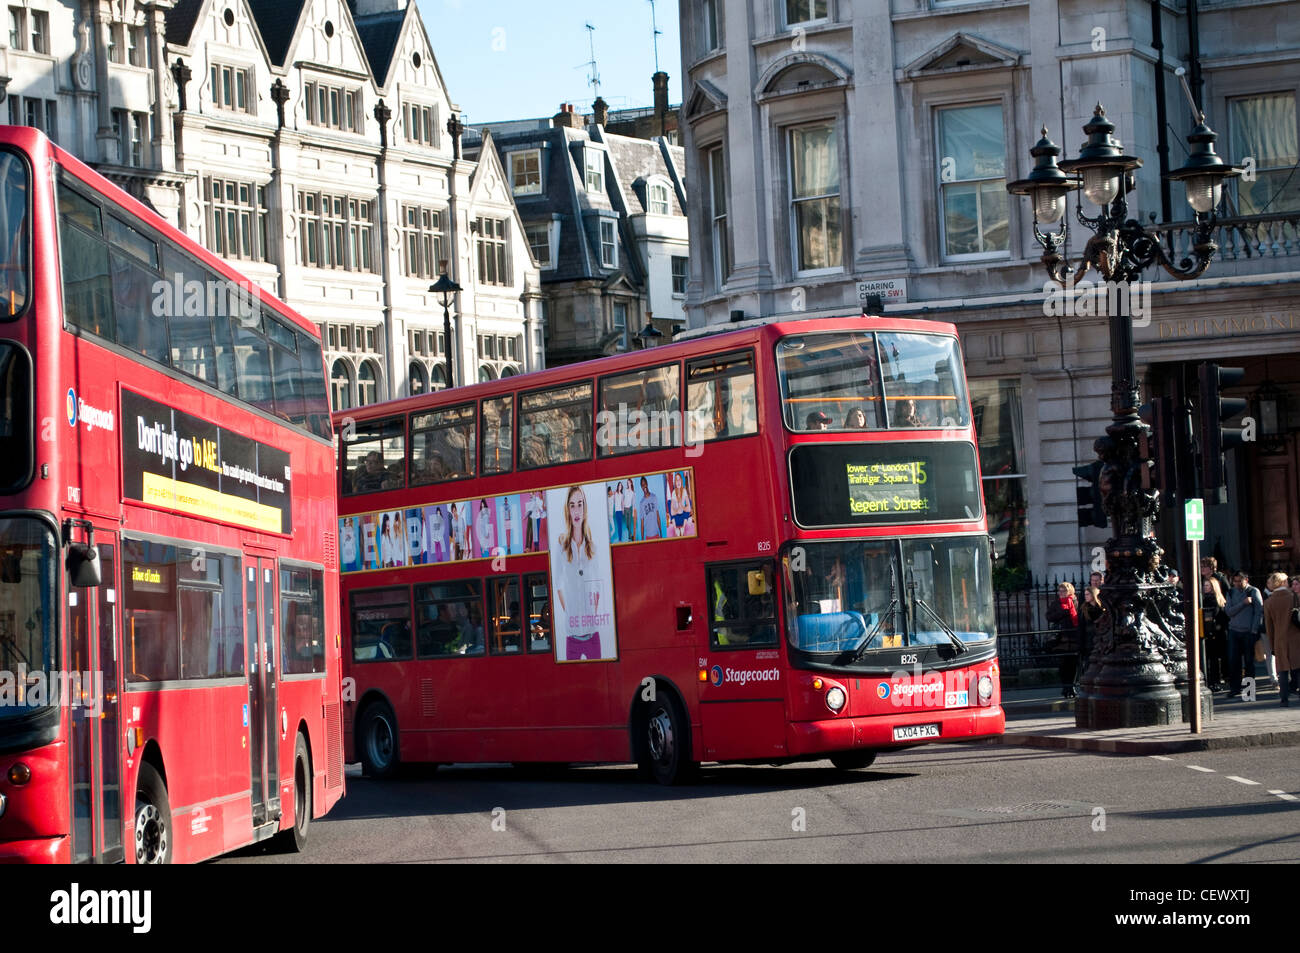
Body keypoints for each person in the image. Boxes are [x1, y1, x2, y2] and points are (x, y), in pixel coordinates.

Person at [553, 486, 606, 661]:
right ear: (568, 510)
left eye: (580, 504)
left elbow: (598, 585)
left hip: (593, 637)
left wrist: (592, 614)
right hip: (572, 638)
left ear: (585, 508)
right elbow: (558, 584)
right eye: (572, 505)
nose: (576, 510)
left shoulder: (593, 548)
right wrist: (570, 613)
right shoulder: (561, 547)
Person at [1224, 571, 1263, 699]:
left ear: (1246, 580)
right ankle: (1234, 688)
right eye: (1235, 581)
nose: (1237, 583)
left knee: (1249, 662)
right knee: (1233, 661)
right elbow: (1229, 612)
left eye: (1239, 581)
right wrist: (1243, 603)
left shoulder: (1253, 591)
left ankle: (1249, 691)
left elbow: (1259, 612)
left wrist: (1254, 630)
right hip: (1234, 631)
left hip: (1248, 632)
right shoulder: (1231, 592)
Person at [1263, 572, 1300, 707]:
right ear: (1284, 582)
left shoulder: (1268, 602)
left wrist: (1272, 645)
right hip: (1296, 637)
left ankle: (1284, 699)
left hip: (1279, 639)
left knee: (1282, 671)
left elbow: (1269, 626)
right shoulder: (1294, 597)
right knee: (1298, 668)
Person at [1046, 581, 1080, 698]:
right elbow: (1049, 616)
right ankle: (1066, 687)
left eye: (1064, 590)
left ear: (1070, 591)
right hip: (1061, 639)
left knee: (1074, 664)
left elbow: (1079, 617)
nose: (1061, 593)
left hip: (1074, 637)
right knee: (1063, 664)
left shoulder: (1076, 601)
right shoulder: (1056, 603)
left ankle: (1072, 686)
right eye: (1059, 591)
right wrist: (1062, 612)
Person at [1202, 575, 1228, 691]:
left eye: (1207, 585)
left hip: (1217, 633)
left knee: (1214, 659)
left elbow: (1222, 617)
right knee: (1207, 658)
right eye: (1204, 585)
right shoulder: (1202, 599)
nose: (1205, 587)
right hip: (1206, 632)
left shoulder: (1217, 600)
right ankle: (1209, 680)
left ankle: (1214, 681)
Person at [637, 476, 665, 540]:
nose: (644, 486)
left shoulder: (654, 497)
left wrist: (661, 533)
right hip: (648, 537)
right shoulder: (641, 503)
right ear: (641, 487)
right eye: (642, 485)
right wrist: (642, 540)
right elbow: (642, 523)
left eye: (645, 484)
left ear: (647, 484)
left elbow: (658, 516)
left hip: (657, 534)